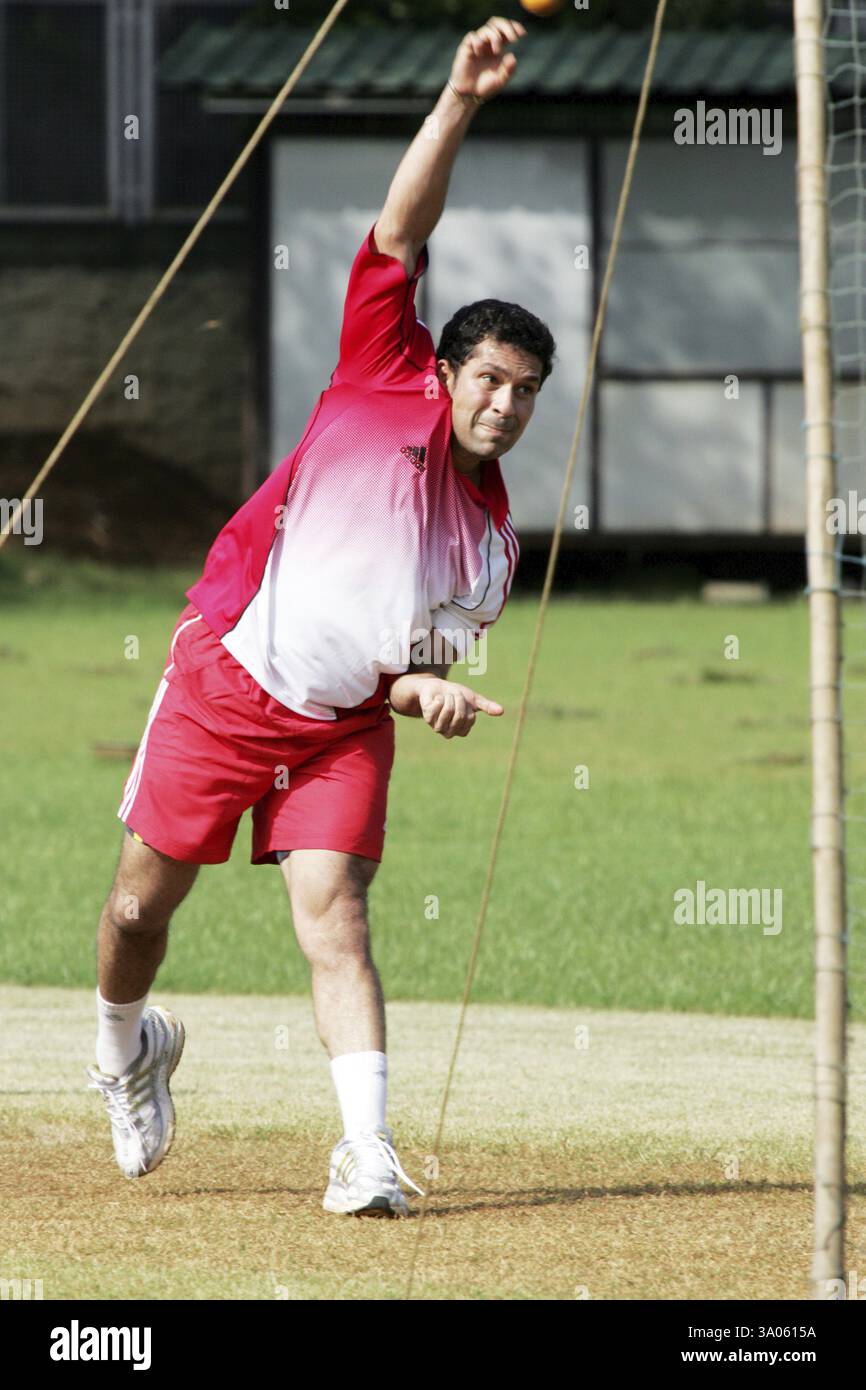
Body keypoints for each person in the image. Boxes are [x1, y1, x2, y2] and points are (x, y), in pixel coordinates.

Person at [87, 14, 556, 1218]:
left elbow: (405, 666)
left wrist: (426, 688)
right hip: (232, 673)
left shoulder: (492, 545)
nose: (504, 404)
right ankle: (126, 1050)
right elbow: (402, 229)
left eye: (526, 392)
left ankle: (366, 1151)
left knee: (334, 912)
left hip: (341, 722)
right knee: (140, 907)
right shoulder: (375, 375)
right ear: (444, 373)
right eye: (490, 379)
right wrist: (459, 98)